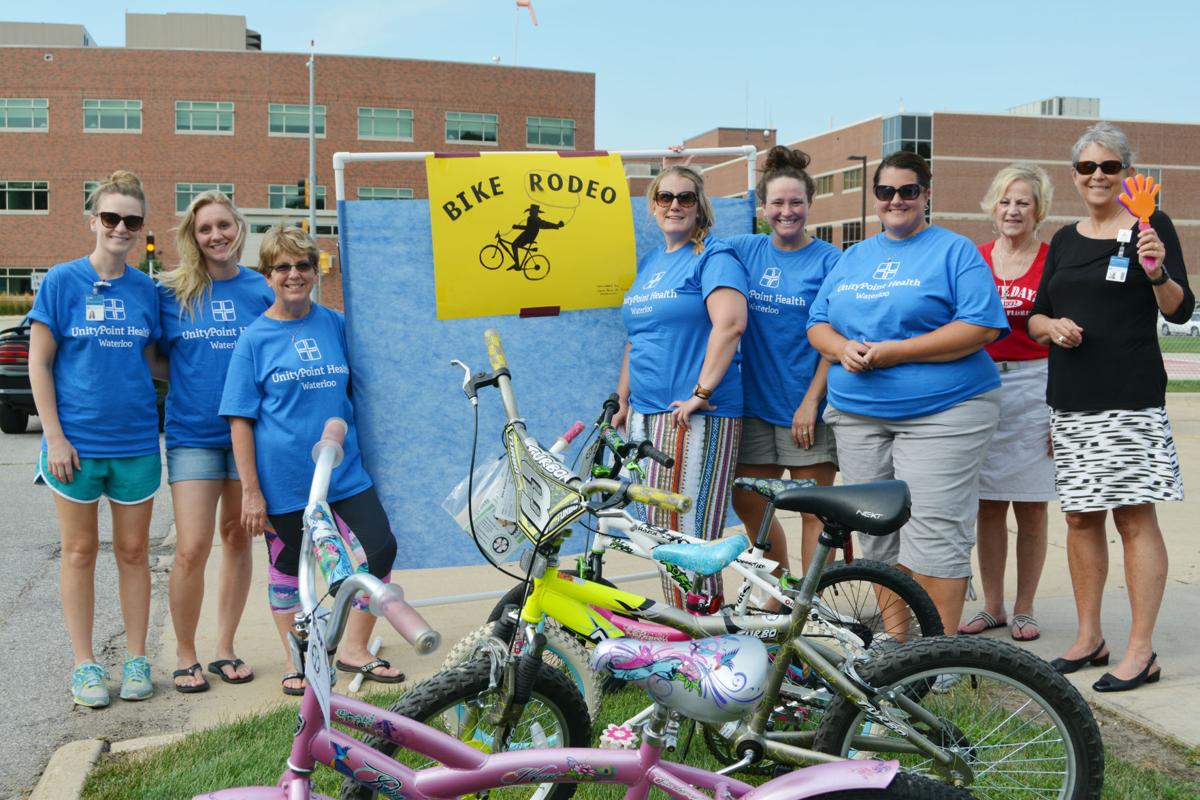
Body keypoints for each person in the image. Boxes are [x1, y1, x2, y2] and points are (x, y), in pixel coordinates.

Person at [807, 150, 1009, 635]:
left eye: (908, 190)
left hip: (943, 413)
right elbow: (817, 323)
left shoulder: (954, 251)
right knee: (876, 531)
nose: (896, 200)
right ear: (875, 196)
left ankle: (938, 655)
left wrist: (897, 352)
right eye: (886, 191)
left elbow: (981, 325)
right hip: (858, 416)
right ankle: (898, 645)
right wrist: (841, 347)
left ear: (926, 194)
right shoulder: (854, 256)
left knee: (933, 532)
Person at [1029, 122, 1192, 692]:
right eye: (1086, 167)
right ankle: (1089, 637)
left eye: (1109, 166)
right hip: (1071, 401)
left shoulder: (1151, 225)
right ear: (1074, 175)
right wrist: (1051, 326)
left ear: (1127, 172)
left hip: (1128, 398)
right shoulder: (1064, 240)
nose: (1097, 175)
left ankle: (1141, 651)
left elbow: (1178, 310)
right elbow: (1037, 314)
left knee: (1133, 517)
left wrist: (1157, 271)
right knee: (1079, 518)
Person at [219, 224, 403, 695]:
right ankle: (296, 659)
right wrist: (251, 492)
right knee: (290, 569)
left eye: (303, 265)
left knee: (379, 549)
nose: (294, 274)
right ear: (267, 275)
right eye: (282, 267)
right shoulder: (254, 340)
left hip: (345, 474)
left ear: (315, 272)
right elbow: (239, 421)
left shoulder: (336, 324)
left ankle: (354, 648)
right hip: (285, 482)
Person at [29, 170, 161, 708]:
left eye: (131, 220)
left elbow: (154, 362)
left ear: (141, 226)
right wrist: (54, 437)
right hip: (75, 445)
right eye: (111, 217)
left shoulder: (147, 289)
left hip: (135, 443)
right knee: (80, 551)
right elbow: (40, 363)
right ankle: (84, 664)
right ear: (93, 221)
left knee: (133, 552)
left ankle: (136, 659)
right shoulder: (61, 281)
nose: (120, 227)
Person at [614, 164, 748, 609]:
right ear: (653, 205)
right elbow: (637, 337)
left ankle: (707, 638)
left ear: (699, 205)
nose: (675, 205)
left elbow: (730, 325)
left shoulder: (714, 256)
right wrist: (623, 399)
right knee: (660, 532)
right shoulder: (653, 262)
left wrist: (700, 393)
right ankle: (684, 628)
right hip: (646, 415)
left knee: (690, 536)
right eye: (665, 197)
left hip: (694, 416)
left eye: (685, 197)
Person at [158, 191, 273, 692]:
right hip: (193, 435)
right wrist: (195, 380)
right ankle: (186, 653)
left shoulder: (261, 289)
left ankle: (224, 648)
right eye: (205, 228)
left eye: (223, 225)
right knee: (191, 547)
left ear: (239, 228)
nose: (216, 235)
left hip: (250, 435)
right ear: (193, 236)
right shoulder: (173, 292)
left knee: (237, 537)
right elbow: (156, 357)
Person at [727, 147, 840, 577]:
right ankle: (779, 591)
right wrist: (674, 166)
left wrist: (811, 402)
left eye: (796, 202)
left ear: (810, 203)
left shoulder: (831, 261)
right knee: (750, 503)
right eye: (777, 202)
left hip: (806, 407)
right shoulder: (743, 250)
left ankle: (811, 602)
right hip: (754, 406)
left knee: (815, 511)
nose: (786, 211)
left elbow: (835, 339)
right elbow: (691, 234)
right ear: (762, 207)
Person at [959, 164, 1057, 642]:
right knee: (989, 505)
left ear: (1039, 210)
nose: (1013, 210)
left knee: (1032, 507)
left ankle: (1025, 607)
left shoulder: (1054, 260)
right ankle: (993, 606)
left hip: (1037, 386)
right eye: (1005, 201)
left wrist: (1060, 411)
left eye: (1023, 202)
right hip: (981, 387)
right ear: (992, 208)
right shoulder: (974, 259)